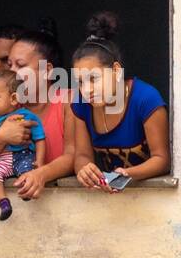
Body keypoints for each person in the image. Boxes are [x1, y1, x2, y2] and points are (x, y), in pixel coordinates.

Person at [0, 21, 77, 199]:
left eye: (20, 65)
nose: (12, 72)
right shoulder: (0, 104)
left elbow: (73, 156)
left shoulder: (69, 101)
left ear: (47, 70)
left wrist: (41, 174)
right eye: (10, 64)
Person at [70, 11, 170, 190]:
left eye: (93, 78)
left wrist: (126, 174)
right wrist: (84, 170)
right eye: (80, 81)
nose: (86, 90)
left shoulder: (145, 99)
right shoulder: (81, 104)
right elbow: (82, 155)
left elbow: (162, 160)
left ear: (116, 71)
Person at [0, 69, 46, 221]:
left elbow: (40, 139)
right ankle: (3, 202)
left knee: (28, 171)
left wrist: (40, 161)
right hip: (0, 158)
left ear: (13, 98)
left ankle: (26, 192)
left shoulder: (28, 117)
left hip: (23, 154)